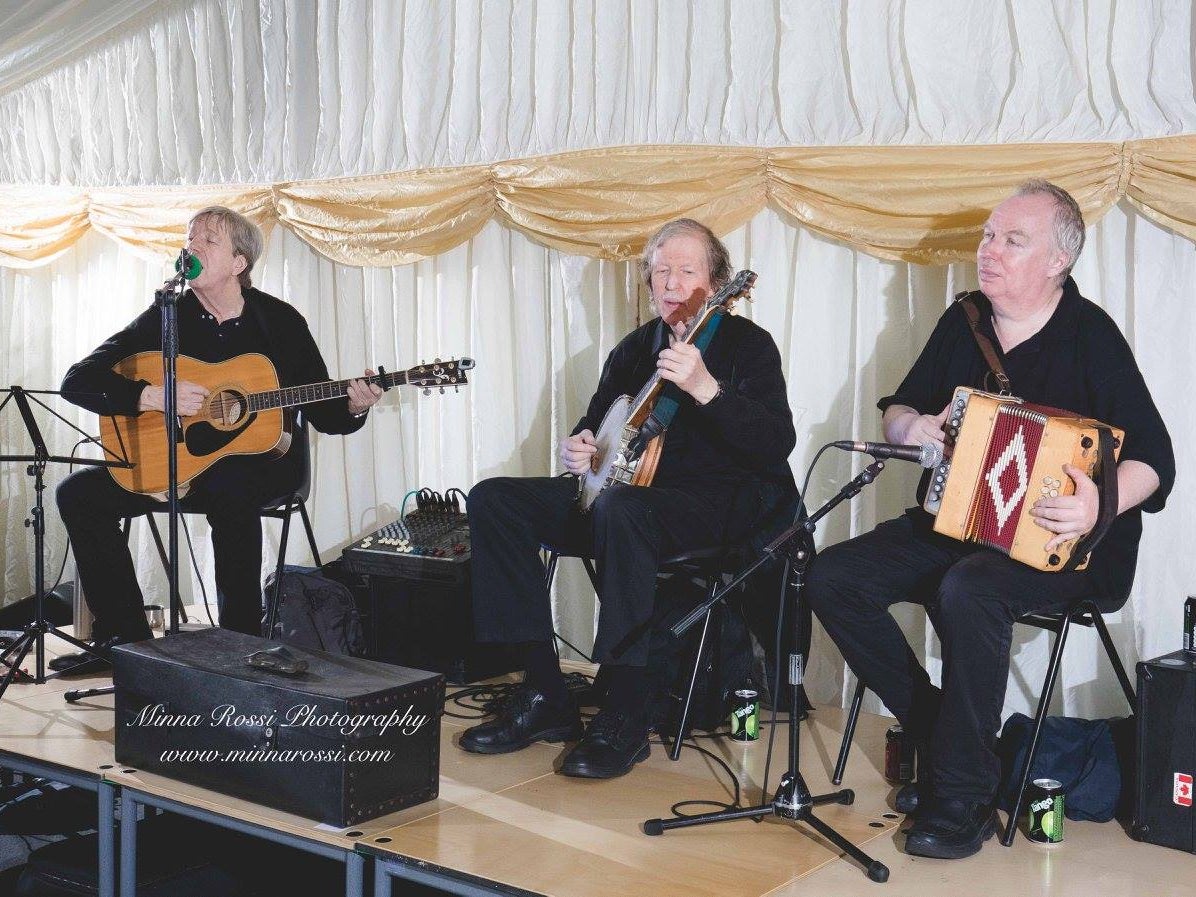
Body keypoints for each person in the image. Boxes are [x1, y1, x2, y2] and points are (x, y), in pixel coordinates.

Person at [806, 180, 1174, 859]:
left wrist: (1098, 500)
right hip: (958, 526)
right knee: (832, 576)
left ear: (1058, 260)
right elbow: (899, 406)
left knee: (972, 585)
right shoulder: (964, 321)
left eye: (1013, 239)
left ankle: (964, 793)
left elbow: (1157, 459)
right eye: (987, 236)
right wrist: (913, 424)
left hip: (1072, 547)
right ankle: (945, 736)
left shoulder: (1089, 334)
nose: (989, 250)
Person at [463, 218, 797, 778]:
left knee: (623, 511)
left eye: (686, 271)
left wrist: (705, 389)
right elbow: (596, 429)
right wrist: (580, 449)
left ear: (715, 284)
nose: (671, 283)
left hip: (715, 509)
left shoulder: (747, 346)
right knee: (495, 499)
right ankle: (544, 694)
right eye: (660, 272)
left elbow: (775, 443)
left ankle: (626, 710)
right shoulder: (633, 349)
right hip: (626, 502)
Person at [53, 206, 382, 673]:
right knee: (78, 495)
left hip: (264, 462)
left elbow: (327, 413)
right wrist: (149, 395)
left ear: (238, 263)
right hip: (177, 460)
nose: (192, 247)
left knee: (232, 491)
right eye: (190, 238)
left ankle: (240, 645)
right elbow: (78, 380)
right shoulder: (167, 314)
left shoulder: (280, 323)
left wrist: (356, 403)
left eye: (207, 239)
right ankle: (128, 641)